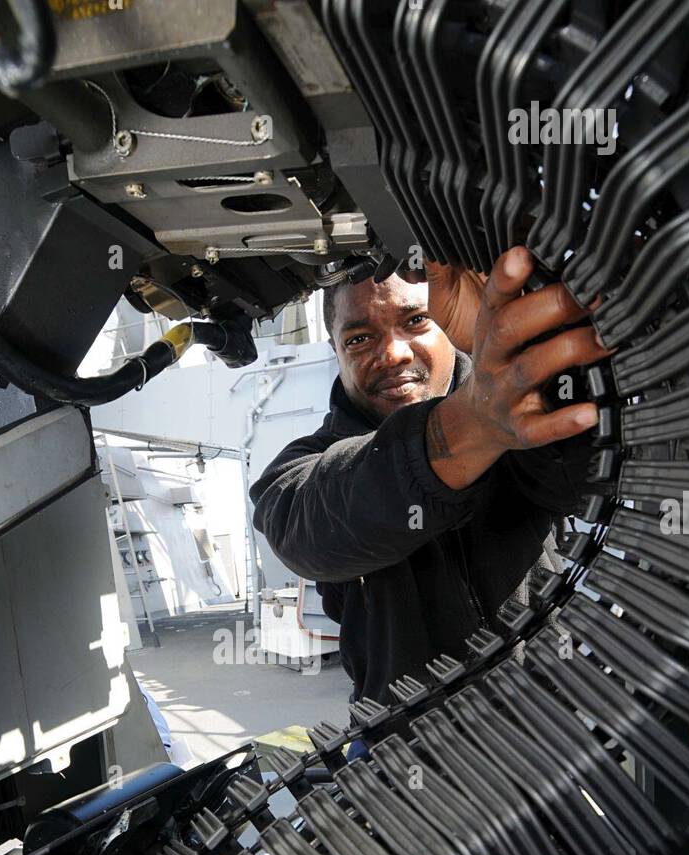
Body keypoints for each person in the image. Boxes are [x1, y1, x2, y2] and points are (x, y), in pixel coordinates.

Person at [250, 246, 608, 720]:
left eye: (415, 321)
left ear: (452, 324)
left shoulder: (525, 414)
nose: (392, 353)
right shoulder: (300, 471)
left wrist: (538, 360)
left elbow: (579, 476)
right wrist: (474, 424)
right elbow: (310, 532)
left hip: (556, 721)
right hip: (405, 750)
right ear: (334, 353)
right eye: (358, 339)